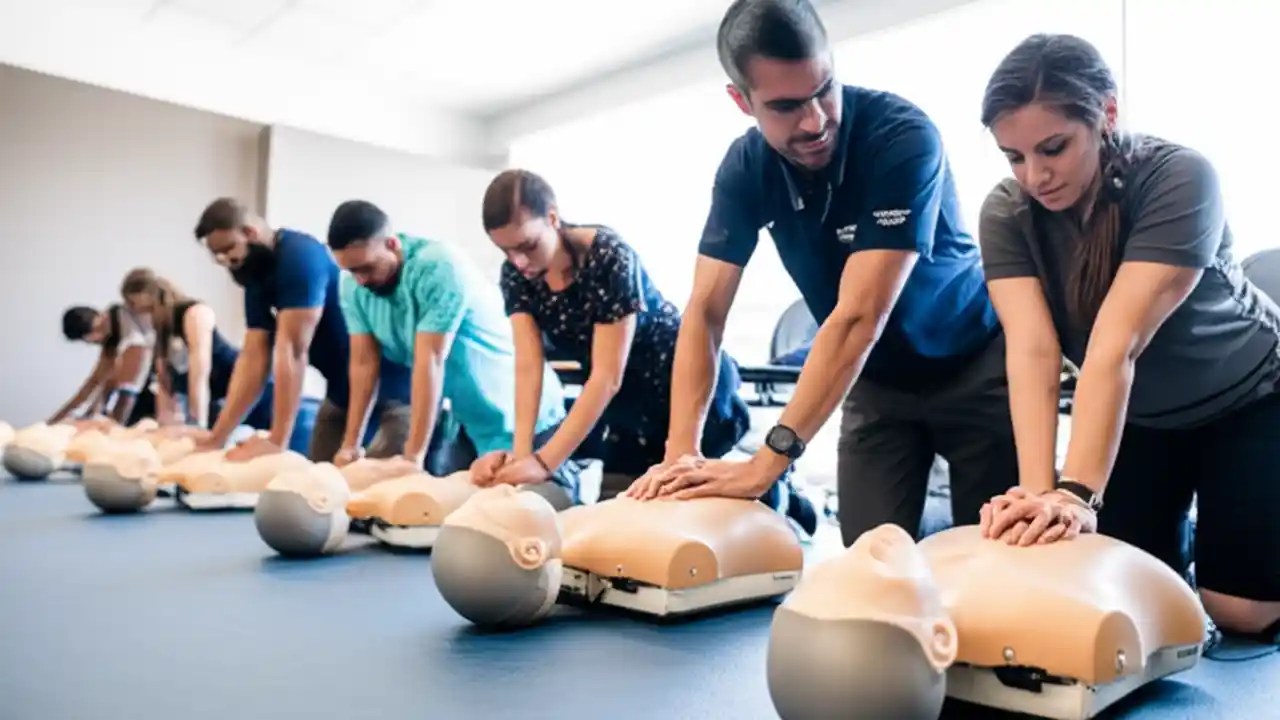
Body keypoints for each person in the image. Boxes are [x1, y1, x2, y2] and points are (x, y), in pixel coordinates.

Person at [627, 0, 1016, 547]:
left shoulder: (900, 138)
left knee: (992, 553)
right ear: (742, 101)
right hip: (875, 383)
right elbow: (706, 311)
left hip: (973, 367)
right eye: (786, 106)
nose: (815, 121)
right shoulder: (745, 170)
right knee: (869, 556)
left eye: (823, 89)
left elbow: (860, 315)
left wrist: (770, 461)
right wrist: (679, 456)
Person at [975, 33, 1280, 639]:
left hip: (1251, 398)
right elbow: (1033, 352)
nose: (1034, 175)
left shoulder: (1181, 177)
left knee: (1240, 611)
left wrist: (1077, 496)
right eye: (1013, 156)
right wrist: (1040, 499)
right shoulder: (1006, 213)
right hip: (1144, 417)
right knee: (1116, 587)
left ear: (1106, 114)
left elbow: (1116, 345)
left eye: (1053, 148)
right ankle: (1200, 536)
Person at [480, 168, 815, 527]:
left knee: (694, 499)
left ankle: (777, 494)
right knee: (626, 515)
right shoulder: (517, 274)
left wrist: (545, 463)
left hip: (682, 388)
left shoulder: (607, 255)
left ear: (552, 218)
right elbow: (529, 366)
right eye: (506, 250)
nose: (518, 261)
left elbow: (607, 376)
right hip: (629, 409)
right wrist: (521, 458)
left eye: (527, 246)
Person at [326, 199, 579, 505]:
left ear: (392, 244)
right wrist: (350, 446)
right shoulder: (353, 286)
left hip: (528, 416)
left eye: (366, 267)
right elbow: (364, 365)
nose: (360, 279)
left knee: (525, 515)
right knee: (455, 517)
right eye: (351, 270)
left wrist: (412, 456)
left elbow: (429, 360)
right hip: (472, 425)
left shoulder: (438, 265)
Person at [191, 198, 412, 460]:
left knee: (371, 490)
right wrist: (217, 438)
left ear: (250, 232)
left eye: (228, 249)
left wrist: (277, 440)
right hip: (341, 391)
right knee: (316, 483)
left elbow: (293, 351)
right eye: (218, 256)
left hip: (390, 392)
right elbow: (253, 358)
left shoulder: (299, 257)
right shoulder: (256, 276)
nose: (226, 260)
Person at [119, 267, 272, 431]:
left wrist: (197, 425)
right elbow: (164, 386)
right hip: (220, 398)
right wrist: (165, 428)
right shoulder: (162, 335)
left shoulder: (195, 314)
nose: (141, 319)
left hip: (254, 393)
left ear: (151, 299)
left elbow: (199, 375)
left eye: (142, 311)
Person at [53, 303, 156, 425]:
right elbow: (96, 380)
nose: (99, 335)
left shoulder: (130, 335)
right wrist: (57, 418)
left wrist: (114, 424)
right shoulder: (111, 334)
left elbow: (127, 386)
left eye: (98, 330)